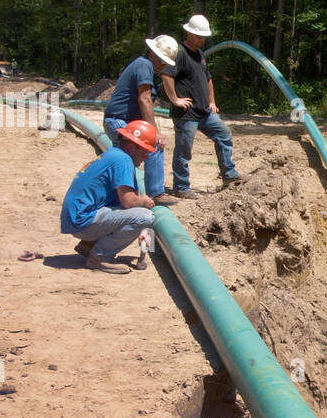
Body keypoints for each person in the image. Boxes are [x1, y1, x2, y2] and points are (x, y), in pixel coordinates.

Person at [60, 120, 158, 274]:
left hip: (76, 217)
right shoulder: (123, 160)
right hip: (82, 221)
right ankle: (100, 257)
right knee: (145, 216)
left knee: (136, 213)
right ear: (132, 147)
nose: (146, 157)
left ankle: (88, 245)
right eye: (144, 151)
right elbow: (129, 201)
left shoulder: (114, 155)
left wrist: (144, 235)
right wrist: (145, 203)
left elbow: (123, 200)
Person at [161, 14, 241, 198]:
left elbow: (208, 79)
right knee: (184, 149)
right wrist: (175, 100)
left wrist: (212, 101)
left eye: (203, 37)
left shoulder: (200, 55)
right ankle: (181, 187)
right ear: (188, 33)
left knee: (223, 135)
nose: (201, 40)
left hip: (204, 111)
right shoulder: (179, 52)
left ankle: (229, 175)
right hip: (186, 113)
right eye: (198, 36)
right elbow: (166, 75)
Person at [103, 35, 179, 206]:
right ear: (154, 54)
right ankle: (155, 193)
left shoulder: (143, 65)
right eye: (163, 61)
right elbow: (144, 99)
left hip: (119, 120)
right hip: (118, 120)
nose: (164, 65)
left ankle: (123, 195)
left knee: (126, 158)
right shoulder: (145, 66)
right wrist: (155, 132)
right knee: (152, 145)